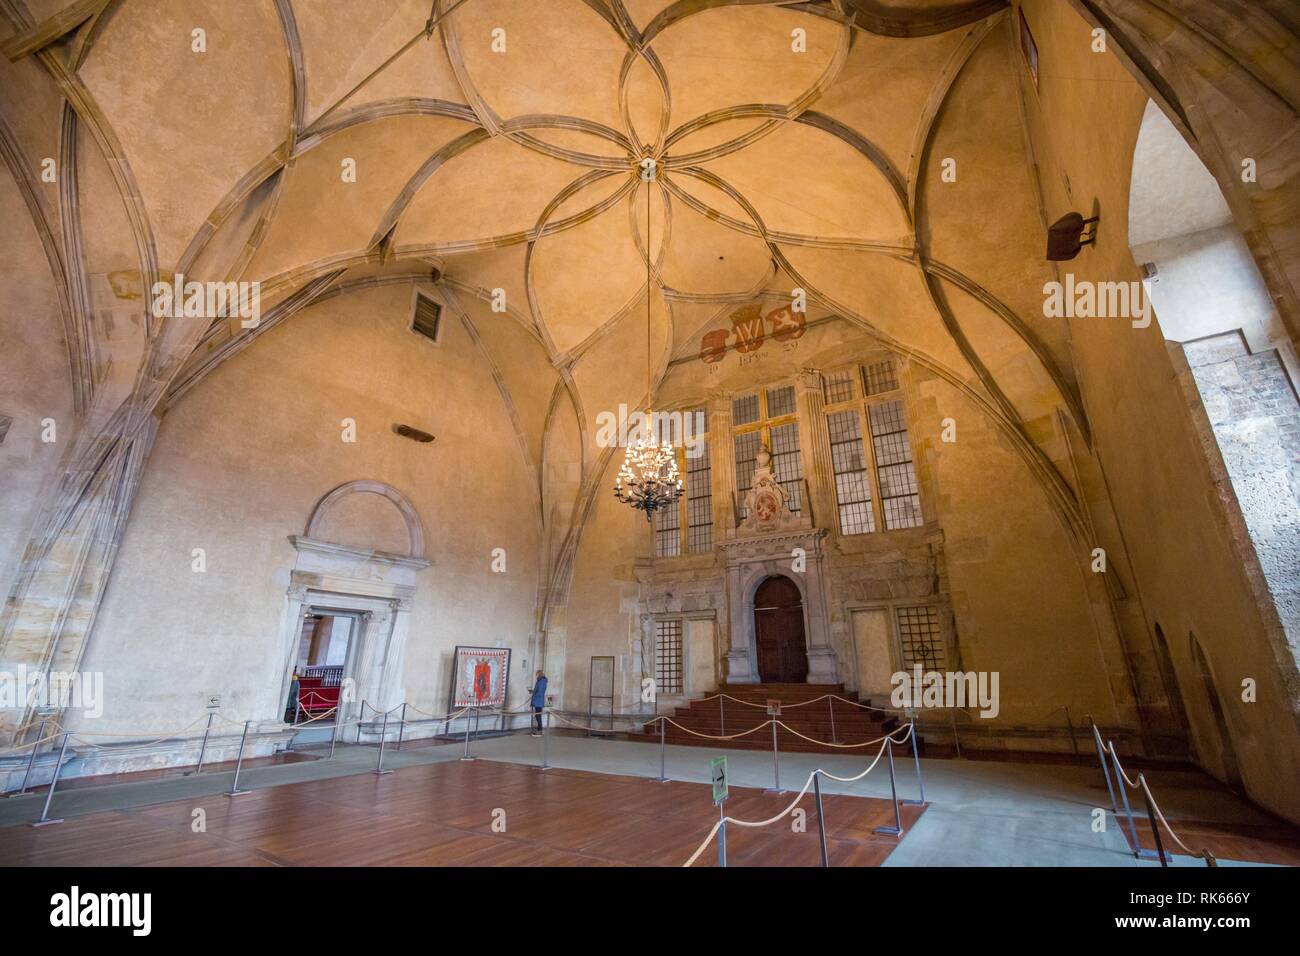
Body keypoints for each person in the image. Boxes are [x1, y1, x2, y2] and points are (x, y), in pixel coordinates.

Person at [528, 670, 548, 737]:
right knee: (537, 715)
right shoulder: (540, 681)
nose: (536, 675)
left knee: (538, 715)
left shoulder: (542, 681)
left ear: (539, 674)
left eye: (537, 674)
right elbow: (537, 690)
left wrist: (534, 694)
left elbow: (540, 692)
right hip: (537, 700)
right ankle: (539, 729)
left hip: (538, 700)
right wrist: (533, 692)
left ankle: (540, 729)